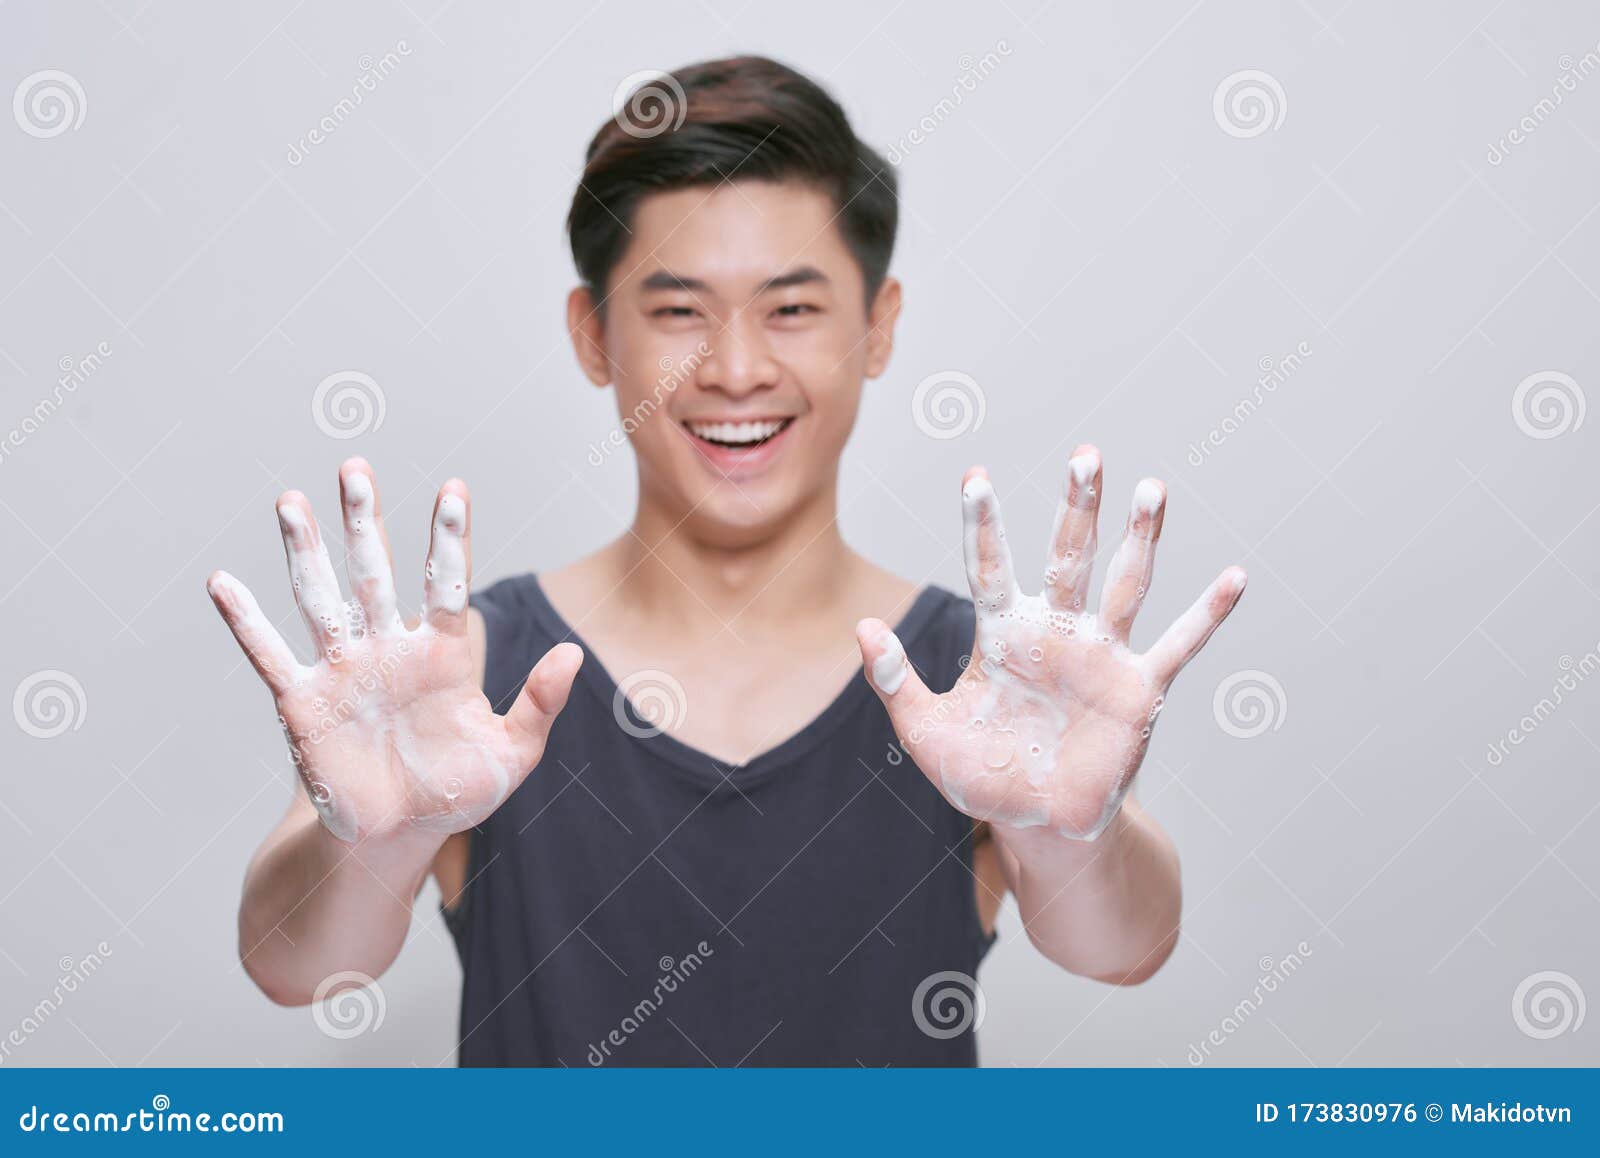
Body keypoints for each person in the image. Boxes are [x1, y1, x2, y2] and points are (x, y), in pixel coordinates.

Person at [207, 55, 1247, 1066]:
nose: (739, 369)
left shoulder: (975, 686)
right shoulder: (472, 672)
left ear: (878, 327)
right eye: (677, 311)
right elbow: (297, 967)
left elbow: (1121, 948)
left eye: (792, 309)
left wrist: (1070, 837)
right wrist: (374, 845)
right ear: (593, 335)